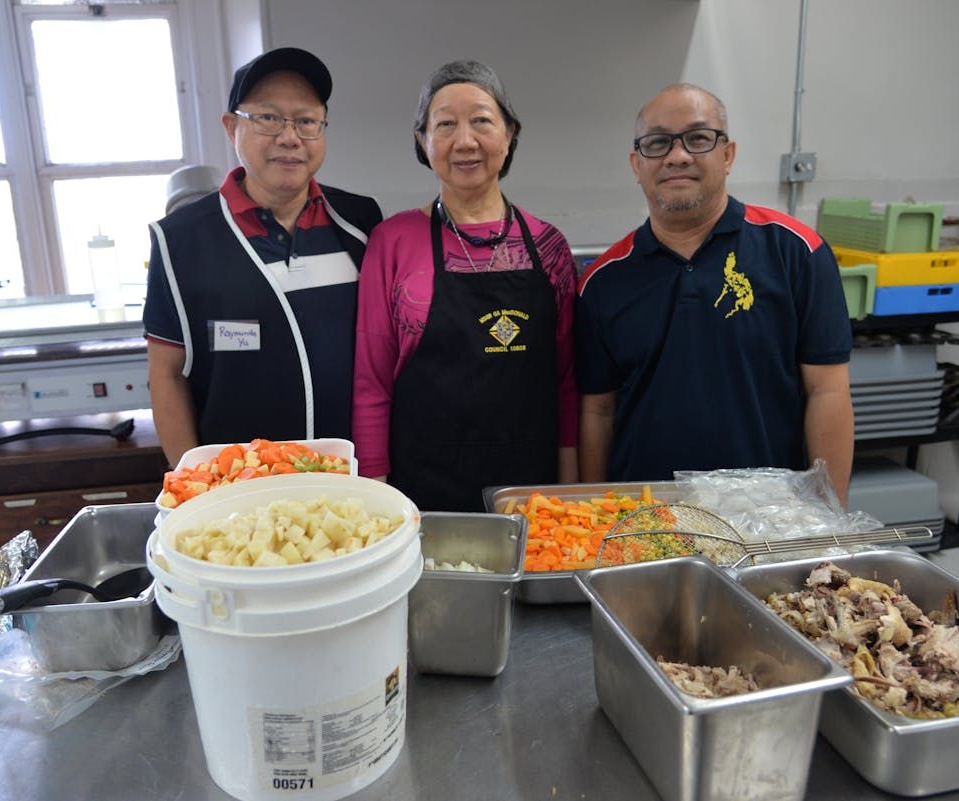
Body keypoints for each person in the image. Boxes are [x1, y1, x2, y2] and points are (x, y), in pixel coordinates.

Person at [575, 83, 854, 506]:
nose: (678, 155)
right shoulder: (602, 281)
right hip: (646, 518)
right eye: (658, 143)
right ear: (637, 164)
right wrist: (597, 516)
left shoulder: (796, 251)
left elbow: (828, 392)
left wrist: (827, 515)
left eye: (698, 138)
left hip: (770, 515)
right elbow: (598, 412)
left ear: (728, 154)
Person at [353, 60, 579, 512]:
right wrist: (375, 501)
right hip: (421, 492)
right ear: (423, 140)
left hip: (532, 492)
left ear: (510, 133)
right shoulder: (392, 242)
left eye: (481, 121)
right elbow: (371, 384)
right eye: (445, 125)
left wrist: (570, 492)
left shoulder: (549, 247)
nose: (465, 141)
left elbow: (568, 381)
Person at [143, 48, 383, 466]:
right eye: (268, 118)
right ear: (231, 126)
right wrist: (193, 485)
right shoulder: (179, 241)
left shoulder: (361, 222)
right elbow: (166, 374)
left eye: (306, 121)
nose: (289, 137)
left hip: (347, 491)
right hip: (240, 497)